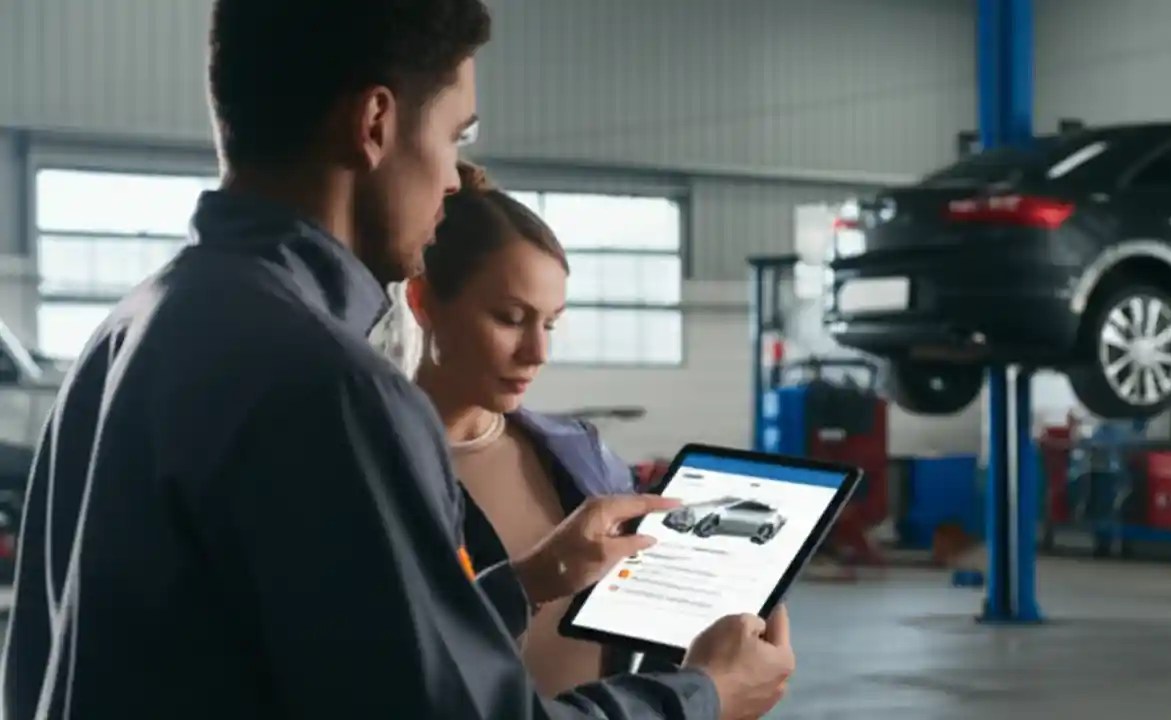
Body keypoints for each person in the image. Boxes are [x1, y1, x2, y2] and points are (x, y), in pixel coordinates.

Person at [0, 1, 795, 719]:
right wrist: (703, 694)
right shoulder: (334, 389)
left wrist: (521, 584)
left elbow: (327, 656)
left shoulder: (130, 331)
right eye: (456, 136)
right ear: (375, 122)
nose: (453, 180)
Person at [372, 162, 745, 696]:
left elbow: (645, 632)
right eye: (509, 318)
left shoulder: (580, 457)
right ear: (423, 301)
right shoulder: (372, 465)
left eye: (549, 323)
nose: (537, 352)